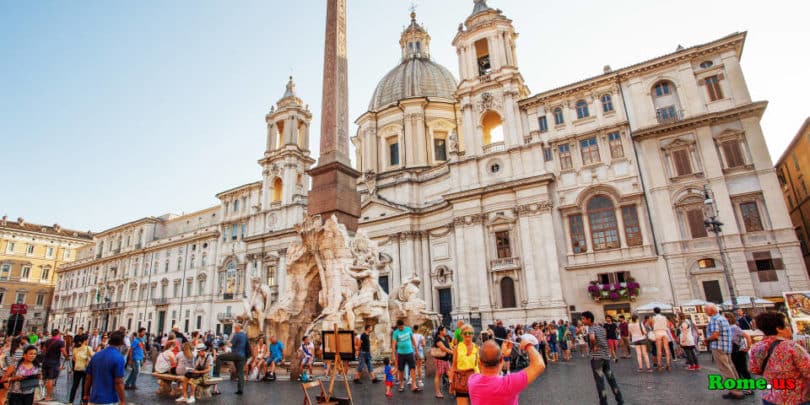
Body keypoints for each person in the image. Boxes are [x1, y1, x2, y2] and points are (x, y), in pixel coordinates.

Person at [749, 311, 810, 405]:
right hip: (796, 398)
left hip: (770, 397)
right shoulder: (792, 347)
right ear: (779, 329)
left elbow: (754, 370)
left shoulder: (756, 347)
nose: (789, 328)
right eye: (786, 325)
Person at [468, 333, 544, 405]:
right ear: (501, 360)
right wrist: (528, 345)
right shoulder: (509, 384)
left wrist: (502, 354)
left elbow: (487, 373)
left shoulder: (472, 380)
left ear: (479, 362)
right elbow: (539, 365)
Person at [582, 311, 623, 405]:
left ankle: (604, 403)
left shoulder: (591, 328)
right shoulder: (600, 327)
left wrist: (594, 345)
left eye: (583, 319)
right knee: (611, 379)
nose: (582, 321)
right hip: (605, 356)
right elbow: (604, 337)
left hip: (597, 358)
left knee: (600, 382)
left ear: (589, 319)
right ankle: (620, 401)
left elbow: (592, 338)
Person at [705, 303, 743, 400]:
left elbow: (715, 335)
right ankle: (737, 389)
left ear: (712, 310)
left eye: (706, 310)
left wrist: (706, 339)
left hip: (718, 347)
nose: (705, 312)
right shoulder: (722, 318)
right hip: (726, 347)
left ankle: (735, 392)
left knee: (725, 369)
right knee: (731, 368)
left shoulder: (714, 319)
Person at [83, 330, 127, 405]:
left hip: (94, 398)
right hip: (109, 399)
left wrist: (86, 395)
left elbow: (88, 377)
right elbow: (119, 382)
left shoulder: (96, 355)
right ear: (122, 342)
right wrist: (122, 400)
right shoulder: (119, 358)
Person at [212, 323, 248, 395]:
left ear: (238, 328)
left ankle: (216, 375)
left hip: (236, 354)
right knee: (240, 373)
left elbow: (230, 344)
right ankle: (240, 390)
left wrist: (226, 342)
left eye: (235, 328)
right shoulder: (245, 336)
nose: (234, 329)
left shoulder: (236, 335)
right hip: (242, 356)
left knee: (219, 357)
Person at [724, 312, 753, 396]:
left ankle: (749, 388)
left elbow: (747, 336)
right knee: (736, 369)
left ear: (729, 318)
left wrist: (748, 347)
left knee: (742, 369)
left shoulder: (734, 327)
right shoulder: (728, 328)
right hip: (733, 350)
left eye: (724, 318)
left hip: (739, 351)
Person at [450, 324, 478, 405]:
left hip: (475, 380)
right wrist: (451, 381)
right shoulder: (457, 348)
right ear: (461, 335)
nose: (468, 335)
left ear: (473, 334)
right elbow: (454, 365)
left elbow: (480, 365)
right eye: (465, 333)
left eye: (470, 333)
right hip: (461, 380)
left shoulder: (477, 347)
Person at [391, 319, 420, 393]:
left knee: (413, 368)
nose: (401, 328)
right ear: (398, 326)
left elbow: (412, 339)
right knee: (401, 370)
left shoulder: (408, 329)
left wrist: (416, 350)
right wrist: (393, 355)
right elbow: (393, 344)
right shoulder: (395, 333)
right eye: (400, 327)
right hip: (400, 353)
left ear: (404, 325)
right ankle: (401, 384)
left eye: (402, 327)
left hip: (410, 352)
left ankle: (414, 384)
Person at [41, 329, 67, 401]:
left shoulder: (47, 341)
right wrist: (67, 356)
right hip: (54, 362)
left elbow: (43, 351)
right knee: (50, 379)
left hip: (45, 361)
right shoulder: (60, 342)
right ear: (58, 334)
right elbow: (64, 352)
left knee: (45, 378)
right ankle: (48, 396)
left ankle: (43, 393)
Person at [69, 335, 94, 404]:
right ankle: (83, 402)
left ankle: (70, 401)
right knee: (85, 387)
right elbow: (93, 357)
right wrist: (87, 360)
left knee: (75, 385)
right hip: (85, 369)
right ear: (85, 341)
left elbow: (74, 358)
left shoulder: (75, 349)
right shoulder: (88, 348)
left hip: (77, 368)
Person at [432, 326, 453, 399]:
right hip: (439, 359)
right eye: (445, 330)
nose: (446, 332)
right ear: (440, 331)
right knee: (438, 375)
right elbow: (443, 348)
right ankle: (437, 393)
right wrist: (453, 353)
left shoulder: (445, 337)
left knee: (450, 373)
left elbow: (449, 347)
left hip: (446, 359)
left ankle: (452, 388)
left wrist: (453, 350)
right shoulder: (438, 339)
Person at [650, 307, 671, 371]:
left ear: (654, 311)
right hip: (664, 332)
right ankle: (668, 364)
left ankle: (659, 365)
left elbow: (652, 325)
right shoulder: (664, 317)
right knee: (666, 349)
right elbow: (668, 325)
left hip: (657, 332)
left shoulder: (653, 318)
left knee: (659, 350)